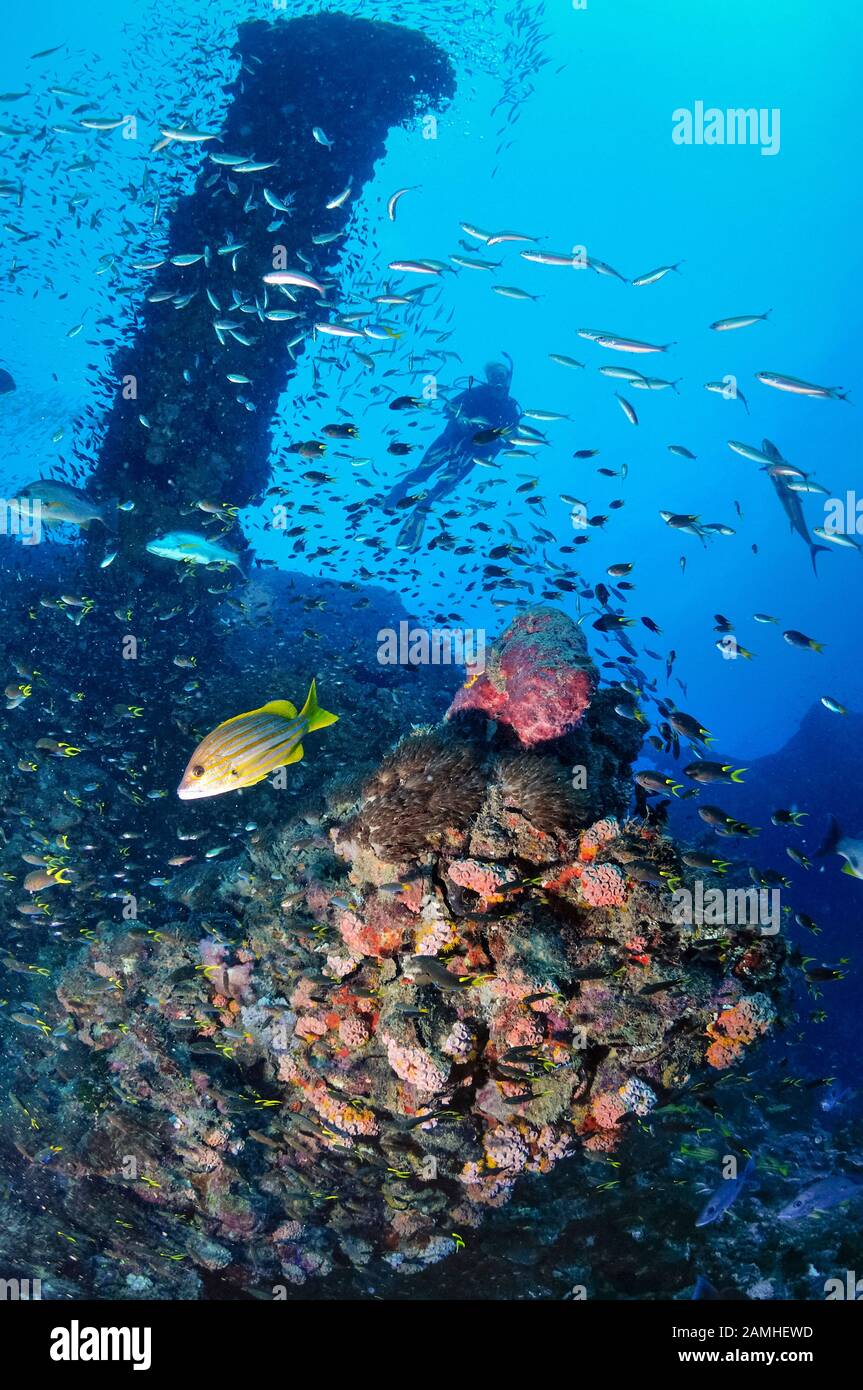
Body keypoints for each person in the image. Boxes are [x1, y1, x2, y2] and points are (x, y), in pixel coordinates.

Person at [383, 357, 521, 552]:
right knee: (421, 474)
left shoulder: (510, 408)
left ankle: (420, 512)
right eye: (493, 376)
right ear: (488, 378)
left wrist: (504, 440)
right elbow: (448, 407)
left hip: (473, 454)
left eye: (501, 375)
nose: (497, 379)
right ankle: (400, 489)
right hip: (449, 441)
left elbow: (515, 440)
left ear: (508, 378)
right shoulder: (475, 393)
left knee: (443, 486)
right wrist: (461, 417)